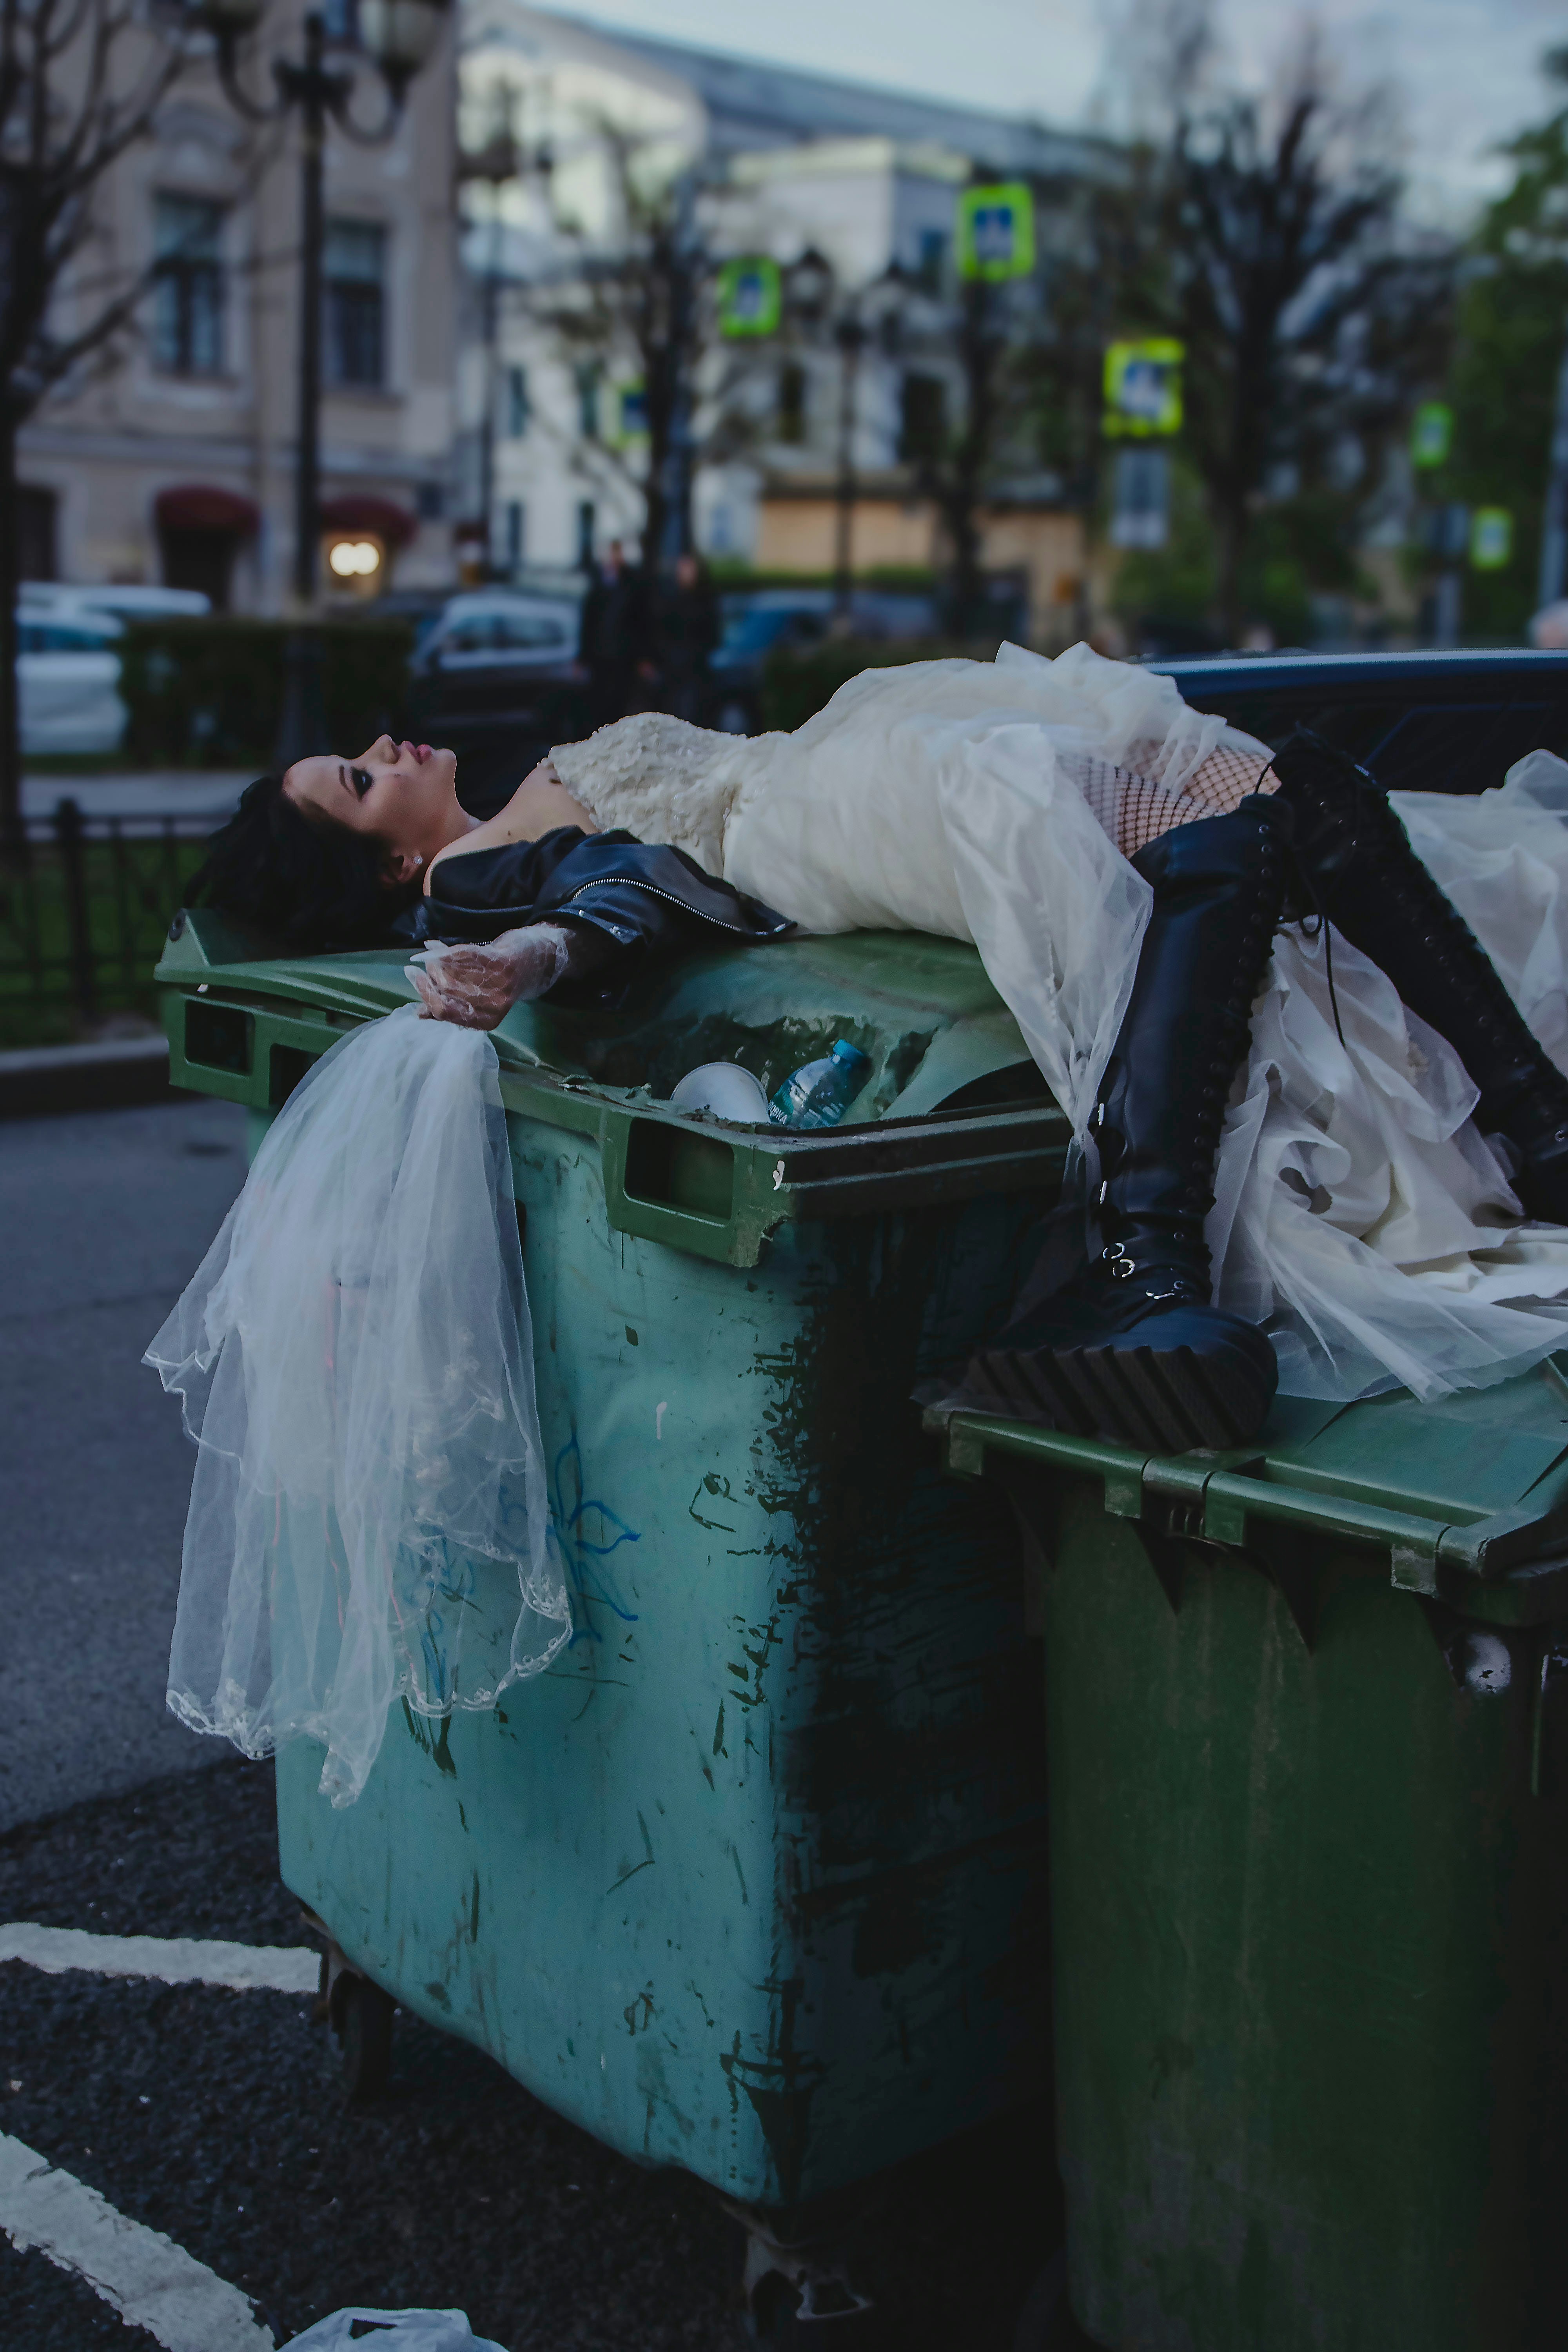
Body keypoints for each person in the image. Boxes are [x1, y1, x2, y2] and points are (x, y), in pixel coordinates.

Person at [188, 642, 1568, 1454]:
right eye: (358, 782)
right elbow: (635, 892)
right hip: (817, 816)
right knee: (1164, 807)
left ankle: (1515, 1127)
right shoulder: (465, 879)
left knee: (1277, 795)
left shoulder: (484, 828)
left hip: (839, 758)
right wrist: (532, 959)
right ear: (386, 873)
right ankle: (1156, 1253)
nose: (383, 745)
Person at [576, 539, 654, 729]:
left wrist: (644, 657)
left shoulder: (633, 584)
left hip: (624, 658)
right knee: (600, 706)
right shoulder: (597, 584)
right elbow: (589, 622)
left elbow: (642, 623)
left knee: (621, 704)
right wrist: (583, 657)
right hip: (600, 657)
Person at [653, 551, 722, 724]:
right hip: (673, 670)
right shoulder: (669, 600)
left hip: (695, 672)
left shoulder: (705, 600)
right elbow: (661, 632)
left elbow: (713, 635)